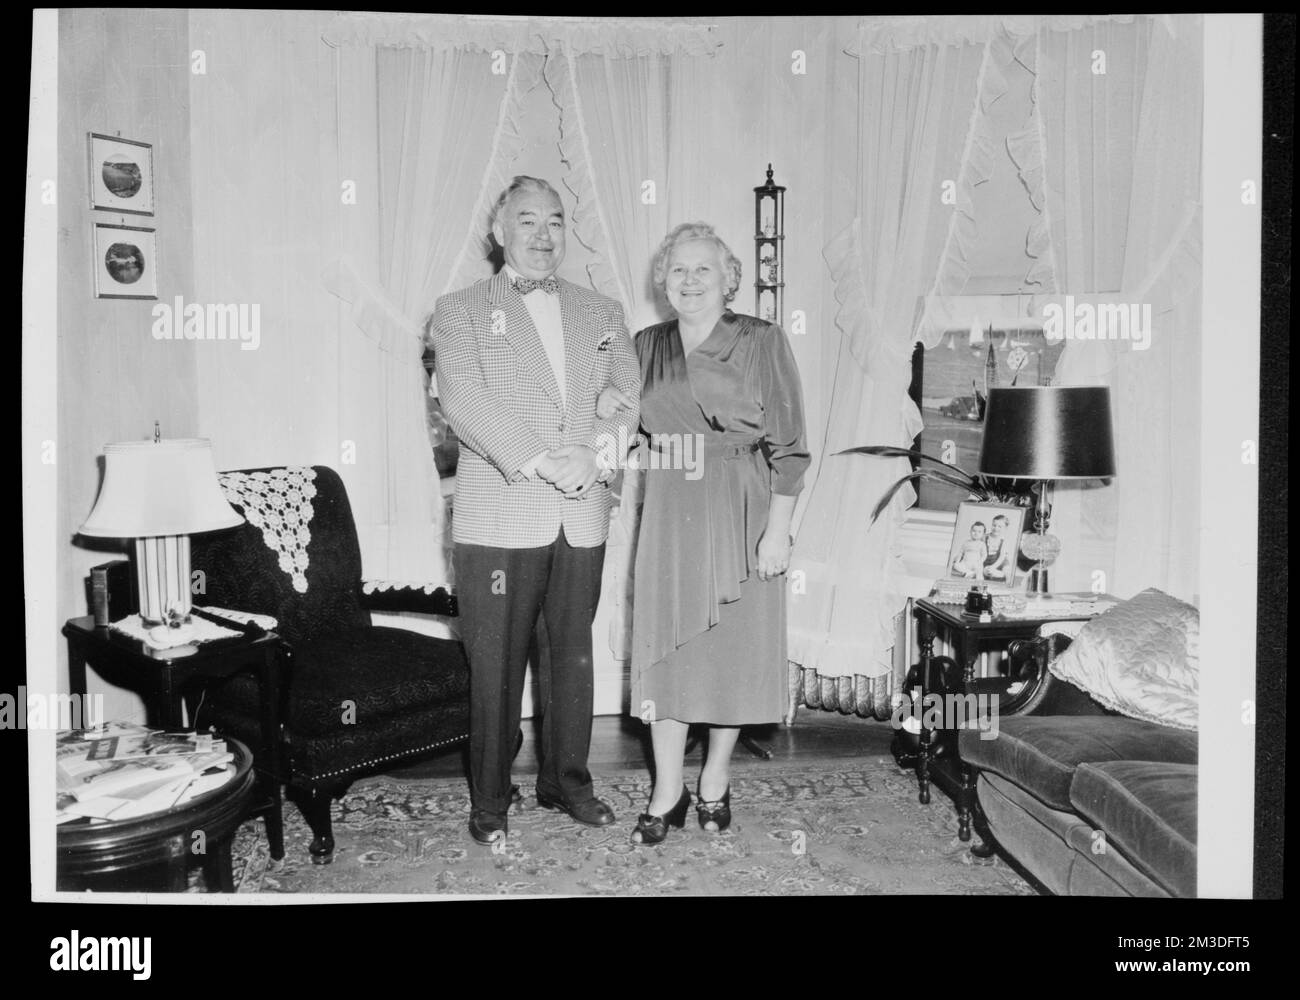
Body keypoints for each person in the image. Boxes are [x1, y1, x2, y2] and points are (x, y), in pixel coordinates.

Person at [430, 176, 641, 846]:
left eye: (555, 221)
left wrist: (598, 457)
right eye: (528, 221)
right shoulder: (459, 309)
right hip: (500, 516)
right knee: (493, 665)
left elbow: (627, 395)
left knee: (570, 661)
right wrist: (547, 461)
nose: (544, 235)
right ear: (499, 230)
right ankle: (491, 799)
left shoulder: (602, 312)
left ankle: (565, 782)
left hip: (582, 514)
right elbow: (462, 399)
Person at [598, 222, 810, 845]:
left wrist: (779, 532)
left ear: (728, 280)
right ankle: (668, 790)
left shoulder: (762, 340)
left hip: (745, 505)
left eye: (703, 270)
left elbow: (791, 447)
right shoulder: (644, 344)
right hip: (671, 506)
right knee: (667, 655)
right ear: (662, 281)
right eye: (678, 270)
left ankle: (715, 778)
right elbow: (624, 429)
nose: (689, 281)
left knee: (730, 655)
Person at [982, 514, 1013, 581]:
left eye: (1000, 526)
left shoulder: (1004, 541)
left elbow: (1002, 557)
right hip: (987, 562)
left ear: (1005, 528)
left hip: (1000, 562)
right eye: (994, 525)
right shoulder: (985, 537)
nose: (996, 528)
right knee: (986, 571)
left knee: (1007, 571)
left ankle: (1003, 576)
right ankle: (995, 574)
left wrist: (993, 567)